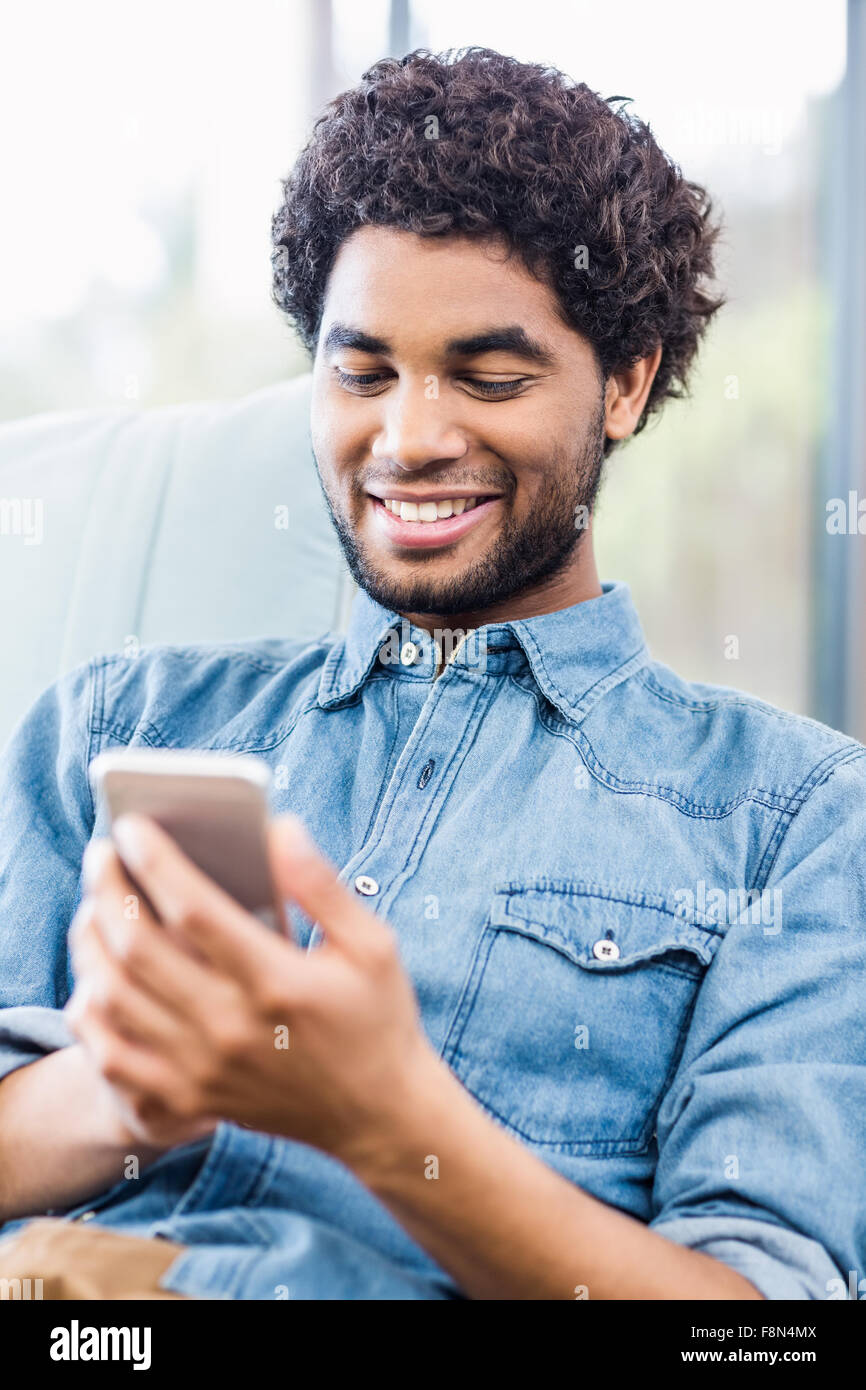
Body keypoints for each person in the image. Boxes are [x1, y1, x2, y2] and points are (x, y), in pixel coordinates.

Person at [1, 47, 864, 1302]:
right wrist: (133, 1084)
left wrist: (387, 1119)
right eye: (360, 373)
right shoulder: (111, 725)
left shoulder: (790, 822)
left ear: (621, 384)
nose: (406, 440)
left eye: (488, 375)